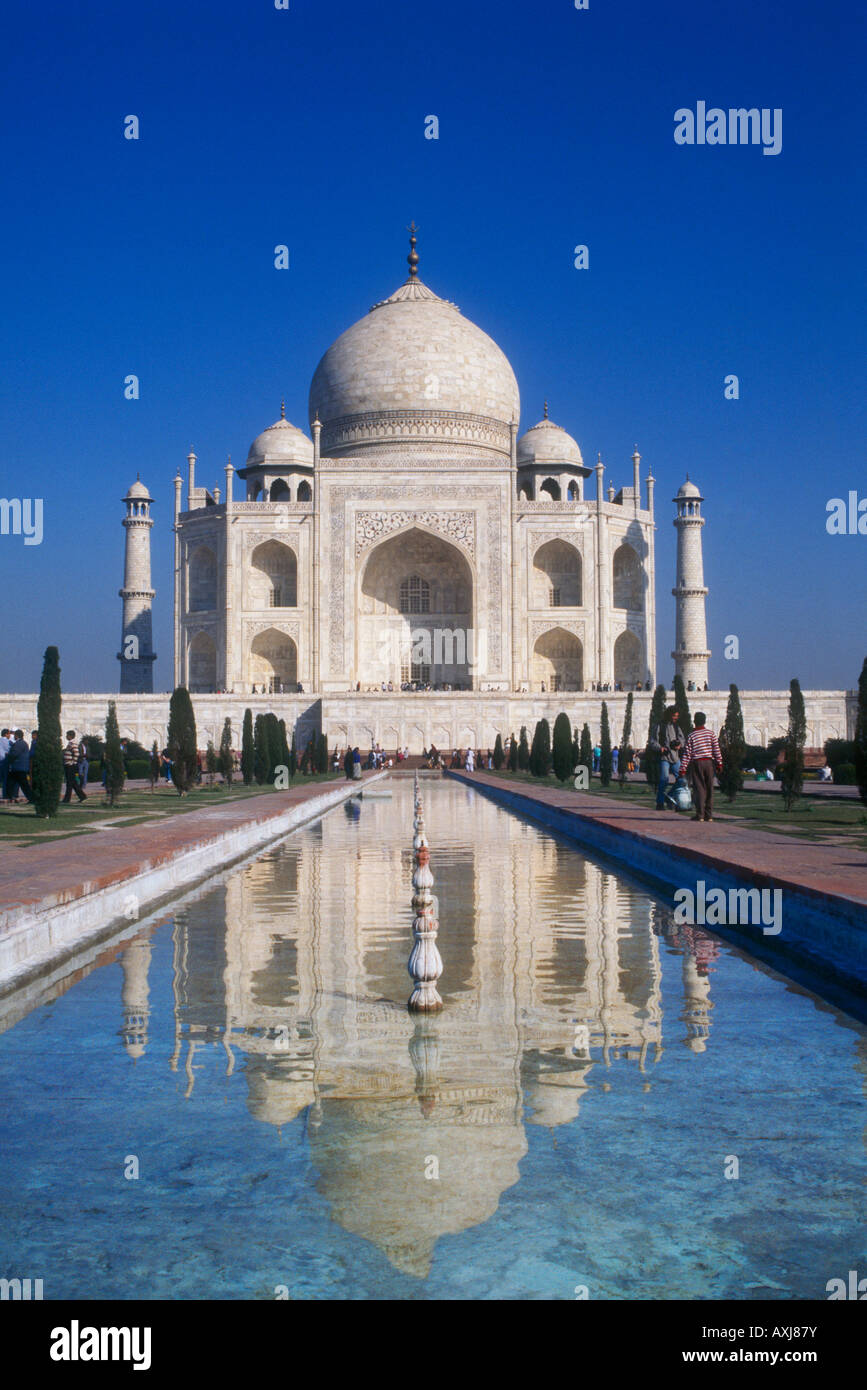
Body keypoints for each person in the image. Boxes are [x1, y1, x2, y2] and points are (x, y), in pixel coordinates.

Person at [679, 712, 723, 822]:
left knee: (699, 789)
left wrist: (683, 768)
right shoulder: (711, 734)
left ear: (694, 721)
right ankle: (709, 815)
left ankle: (700, 815)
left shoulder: (691, 735)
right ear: (704, 721)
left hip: (697, 763)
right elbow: (716, 750)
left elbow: (687, 754)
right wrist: (719, 763)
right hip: (709, 763)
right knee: (709, 788)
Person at [655, 707, 685, 810]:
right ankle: (660, 803)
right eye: (674, 716)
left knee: (682, 780)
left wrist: (679, 745)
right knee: (664, 780)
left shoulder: (677, 727)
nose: (675, 718)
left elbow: (682, 739)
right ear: (669, 715)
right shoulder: (660, 726)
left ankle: (669, 796)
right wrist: (660, 748)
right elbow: (652, 741)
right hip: (665, 757)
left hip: (675, 757)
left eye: (677, 716)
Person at [7, 730, 33, 803]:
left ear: (16, 736)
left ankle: (31, 797)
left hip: (18, 767)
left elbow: (14, 754)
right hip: (19, 767)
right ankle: (11, 796)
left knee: (23, 784)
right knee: (14, 783)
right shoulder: (23, 743)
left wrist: (8, 755)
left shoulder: (19, 743)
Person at [62, 730, 87, 803]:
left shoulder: (73, 744)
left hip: (70, 765)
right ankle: (82, 796)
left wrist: (73, 762)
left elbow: (76, 753)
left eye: (67, 735)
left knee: (69, 783)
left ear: (70, 736)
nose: (66, 737)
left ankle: (66, 799)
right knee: (73, 783)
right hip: (69, 764)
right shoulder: (70, 743)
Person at [0, 728, 9, 802]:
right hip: (4, 761)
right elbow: (8, 750)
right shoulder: (6, 741)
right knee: (5, 779)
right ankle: (5, 794)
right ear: (6, 734)